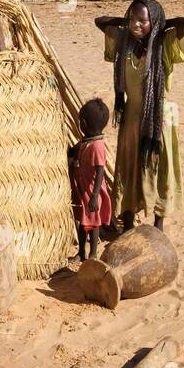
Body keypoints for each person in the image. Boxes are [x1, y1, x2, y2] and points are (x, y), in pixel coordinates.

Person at [95, 0, 184, 235]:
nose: (135, 25)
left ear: (155, 22)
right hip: (131, 115)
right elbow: (99, 21)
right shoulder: (124, 43)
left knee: (158, 168)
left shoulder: (164, 43)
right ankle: (128, 225)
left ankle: (158, 226)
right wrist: (127, 21)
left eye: (142, 20)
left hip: (159, 117)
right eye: (132, 19)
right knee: (129, 168)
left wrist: (161, 24)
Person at [68, 98, 111, 261]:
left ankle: (93, 254)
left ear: (84, 123)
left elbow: (101, 170)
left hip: (92, 192)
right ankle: (81, 252)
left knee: (93, 225)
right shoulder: (87, 142)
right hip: (82, 190)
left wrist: (94, 196)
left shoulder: (97, 146)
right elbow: (75, 151)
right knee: (82, 223)